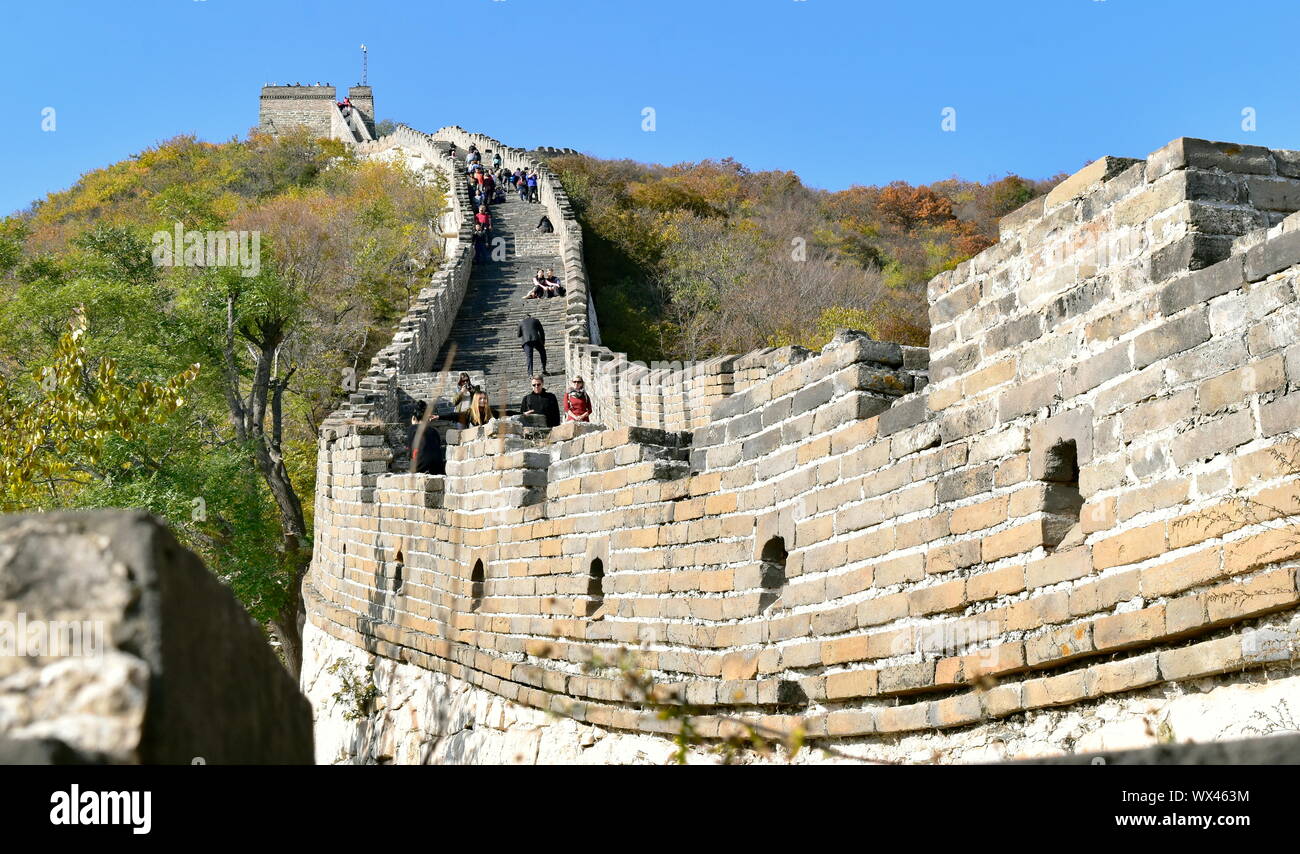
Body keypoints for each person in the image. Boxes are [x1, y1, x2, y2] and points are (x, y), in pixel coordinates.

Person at [407, 405, 446, 475]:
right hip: (438, 468)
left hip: (420, 468)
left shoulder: (412, 429)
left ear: (414, 418)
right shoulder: (435, 431)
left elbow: (410, 452)